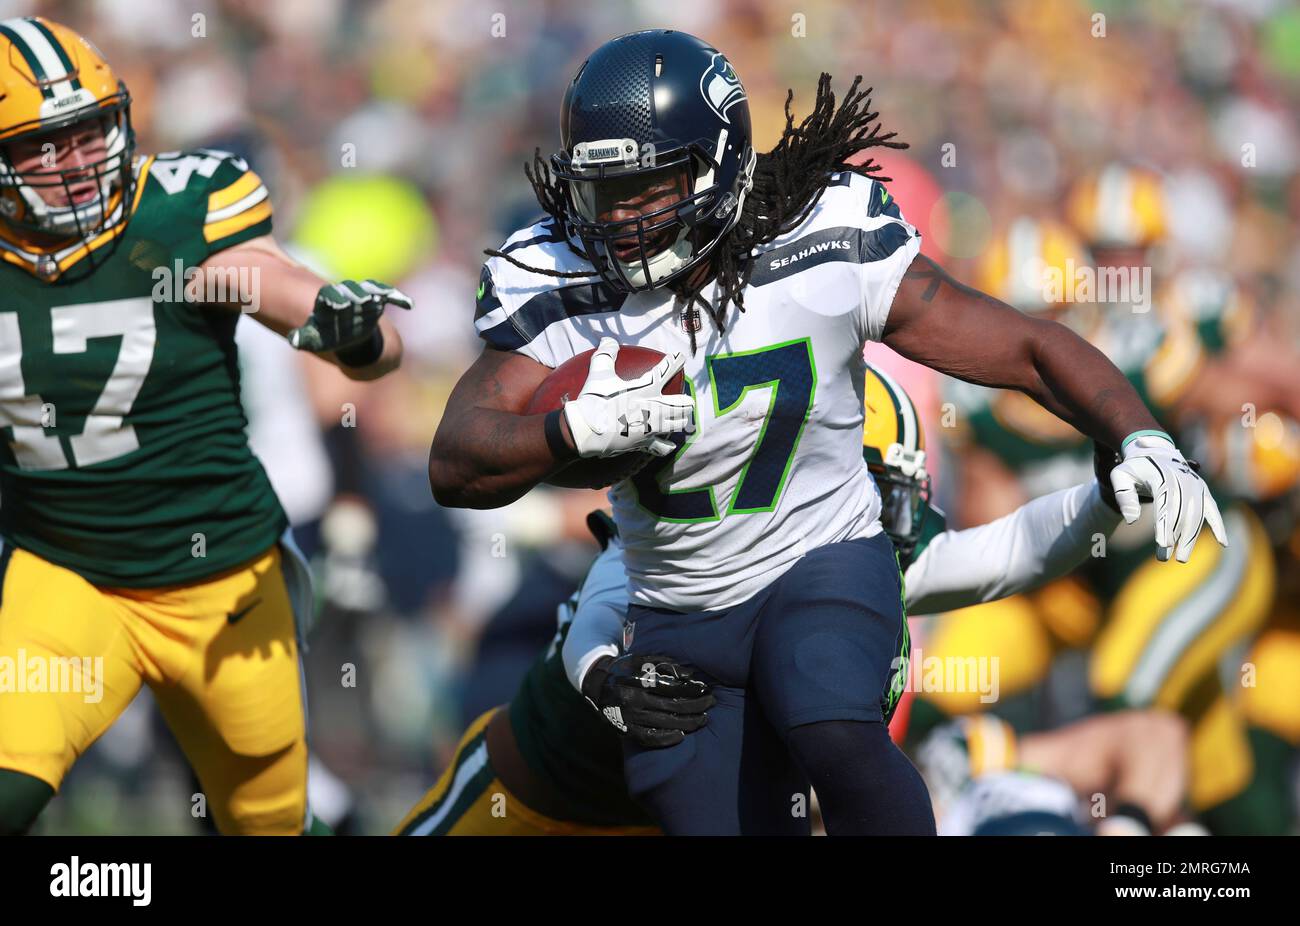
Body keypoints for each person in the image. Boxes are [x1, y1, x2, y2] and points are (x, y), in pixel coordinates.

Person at [427, 29, 1224, 835]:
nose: (625, 221)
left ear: (719, 167)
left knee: (830, 719)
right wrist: (567, 433)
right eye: (608, 192)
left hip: (822, 564)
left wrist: (1138, 437)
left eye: (652, 188)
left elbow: (1021, 349)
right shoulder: (561, 275)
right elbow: (456, 464)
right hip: (679, 611)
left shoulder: (823, 235)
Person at [399, 364, 1120, 835]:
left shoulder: (868, 559)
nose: (878, 519)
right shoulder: (707, 547)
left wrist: (1102, 503)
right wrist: (599, 675)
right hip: (544, 799)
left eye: (884, 497)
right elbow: (611, 593)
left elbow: (1000, 555)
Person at [0, 16, 410, 834]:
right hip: (69, 574)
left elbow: (263, 280)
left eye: (87, 134)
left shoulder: (178, 214)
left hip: (222, 577)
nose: (77, 163)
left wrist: (344, 329)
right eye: (44, 146)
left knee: (271, 824)